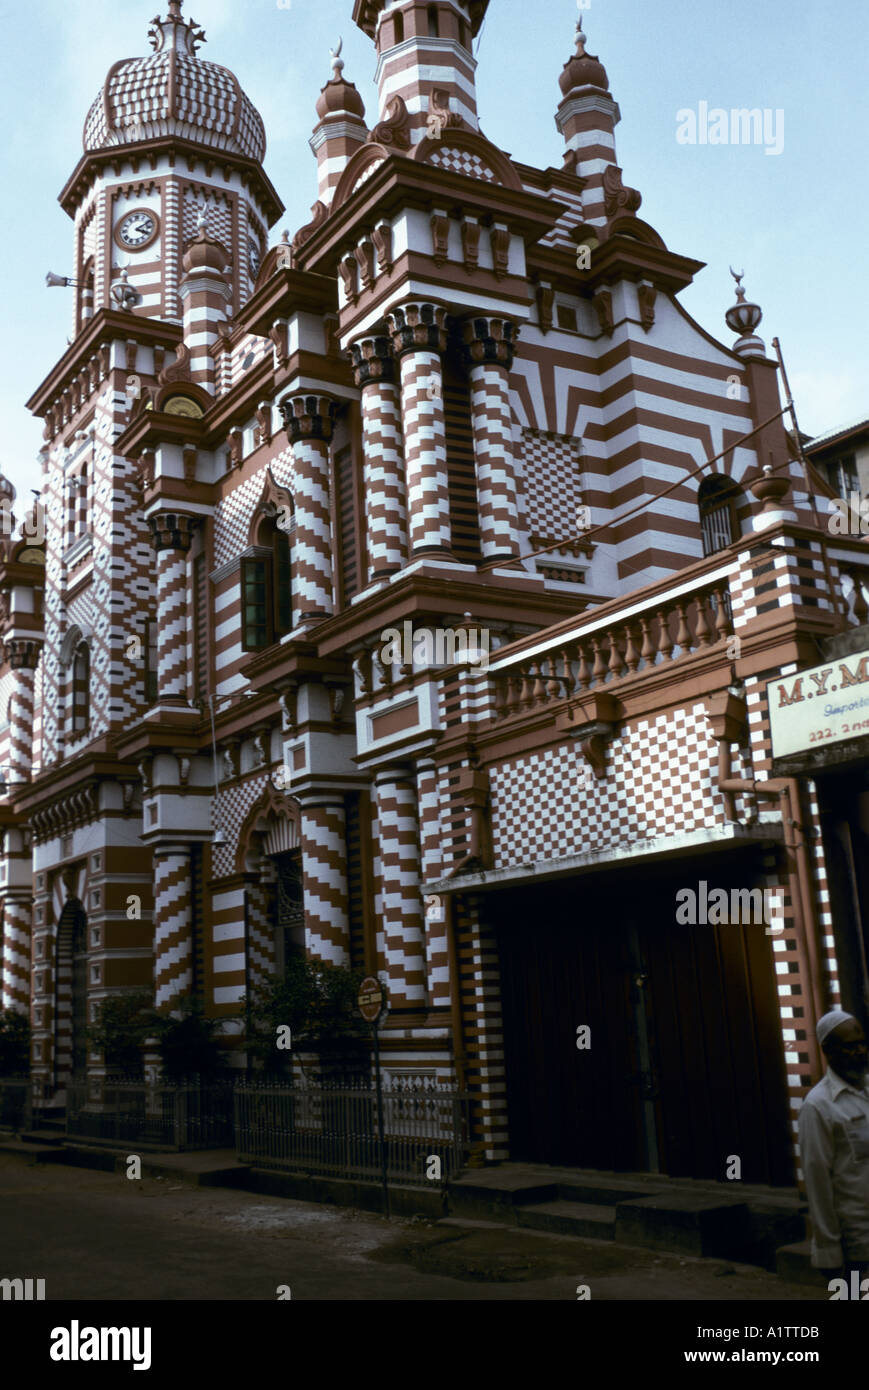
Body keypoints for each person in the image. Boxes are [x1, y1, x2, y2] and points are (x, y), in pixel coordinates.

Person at [798, 1009, 869, 1290]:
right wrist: (829, 1251)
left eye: (863, 1044)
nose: (861, 1051)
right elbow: (818, 1183)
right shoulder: (818, 1106)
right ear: (828, 1050)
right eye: (850, 1047)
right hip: (857, 1245)